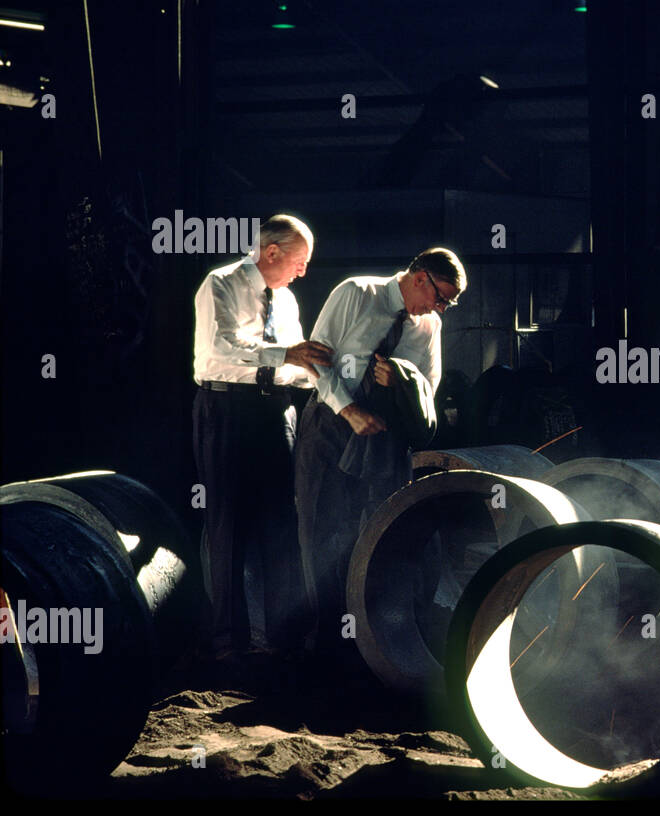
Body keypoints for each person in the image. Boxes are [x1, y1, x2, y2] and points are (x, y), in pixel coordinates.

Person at [295, 246, 466, 656]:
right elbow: (316, 359)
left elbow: (429, 387)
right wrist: (349, 409)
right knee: (321, 530)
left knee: (373, 533)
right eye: (440, 297)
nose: (439, 308)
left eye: (448, 303)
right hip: (330, 424)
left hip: (382, 439)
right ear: (419, 277)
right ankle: (324, 639)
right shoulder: (357, 293)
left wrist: (402, 383)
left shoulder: (429, 327)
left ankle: (368, 638)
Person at [192, 214, 334, 661]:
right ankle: (227, 641)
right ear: (271, 252)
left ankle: (284, 636)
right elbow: (220, 350)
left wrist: (325, 375)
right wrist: (285, 354)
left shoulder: (287, 301)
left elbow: (293, 365)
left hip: (277, 409)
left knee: (282, 521)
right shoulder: (220, 284)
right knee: (228, 521)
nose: (303, 271)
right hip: (226, 407)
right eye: (300, 261)